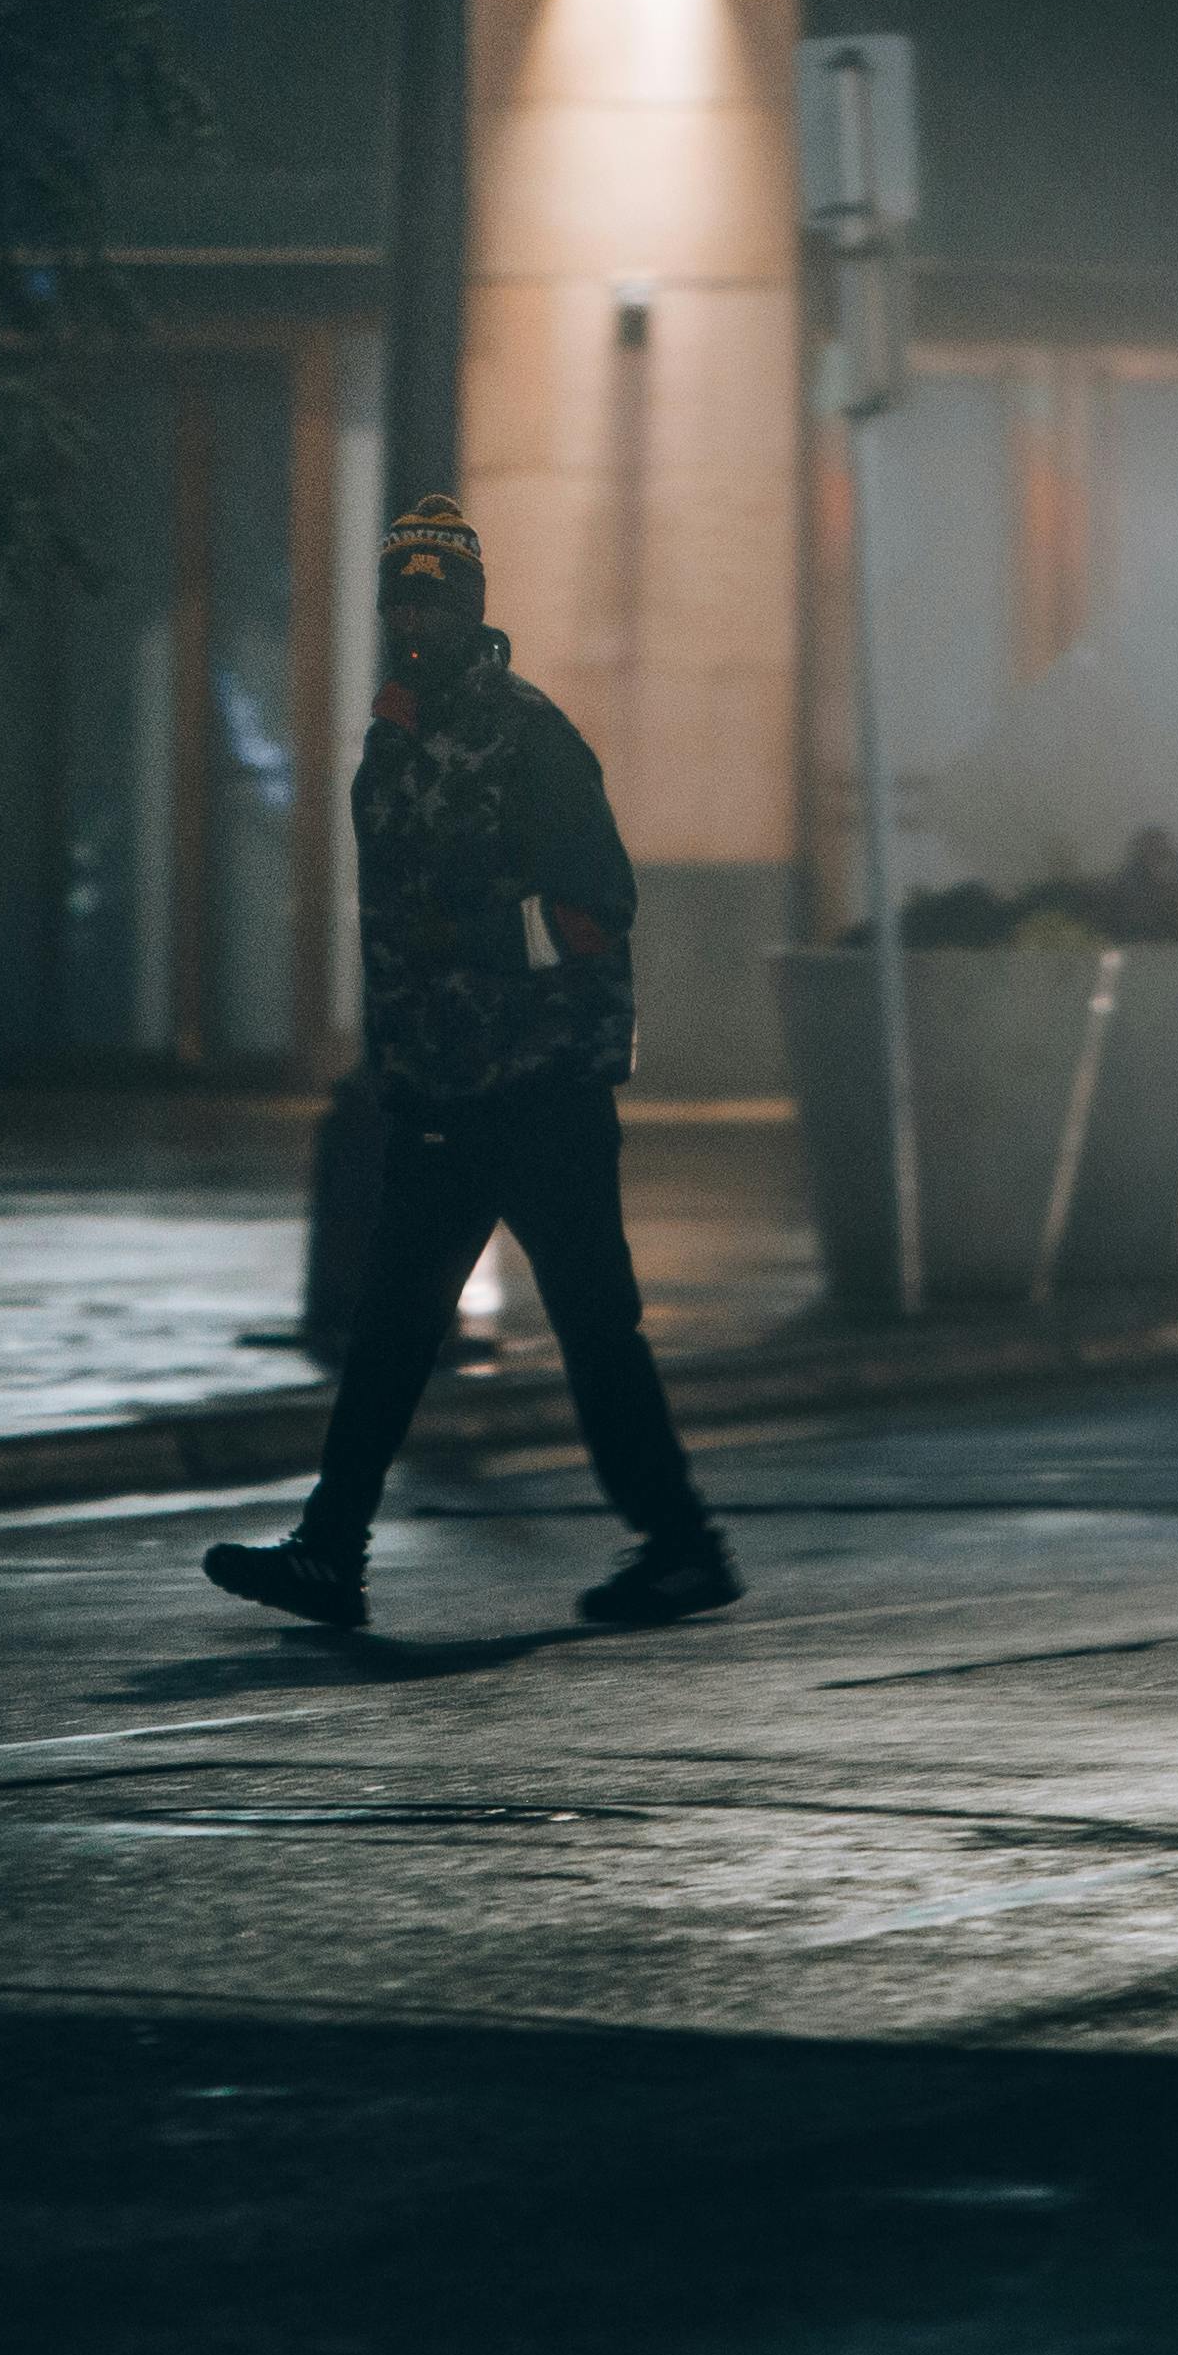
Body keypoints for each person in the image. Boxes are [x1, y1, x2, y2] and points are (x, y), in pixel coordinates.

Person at [206, 497, 741, 1635]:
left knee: (595, 1325)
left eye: (435, 597)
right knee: (392, 1325)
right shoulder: (390, 741)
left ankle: (682, 1547)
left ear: (472, 608)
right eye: (400, 596)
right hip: (441, 1090)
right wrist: (399, 1056)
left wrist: (494, 953)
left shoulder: (526, 734)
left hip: (538, 1088)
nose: (415, 617)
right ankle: (328, 1550)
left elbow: (598, 900)